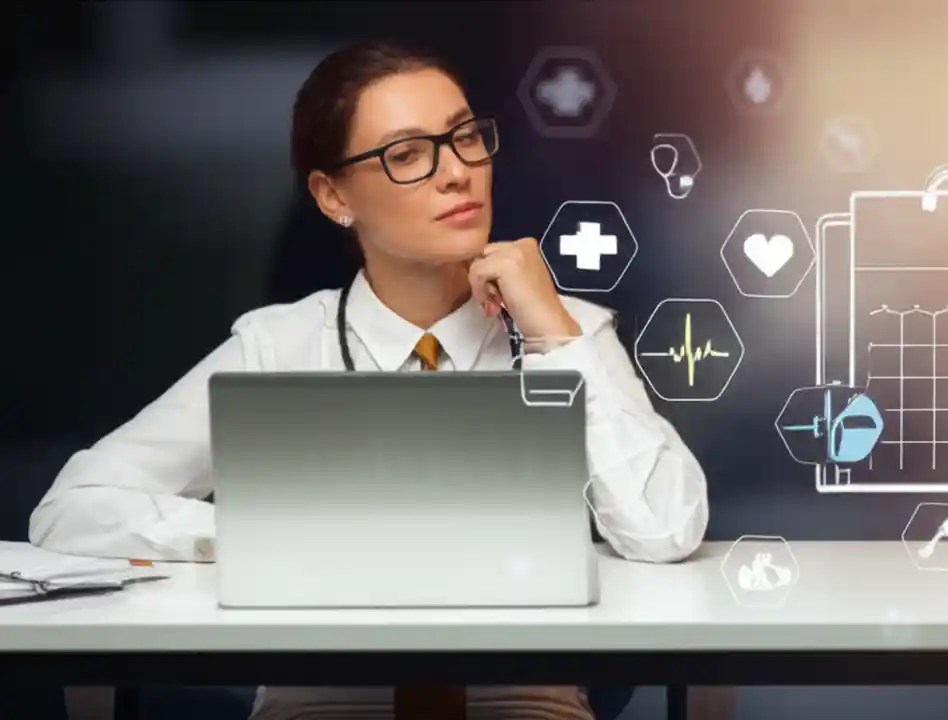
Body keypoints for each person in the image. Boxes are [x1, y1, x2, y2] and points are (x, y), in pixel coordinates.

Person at [29, 38, 709, 719]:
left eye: (465, 137)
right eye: (408, 154)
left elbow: (667, 531)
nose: (457, 173)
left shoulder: (567, 333)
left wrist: (555, 336)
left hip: (523, 706)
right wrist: (251, 536)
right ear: (332, 197)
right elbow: (72, 508)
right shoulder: (280, 346)